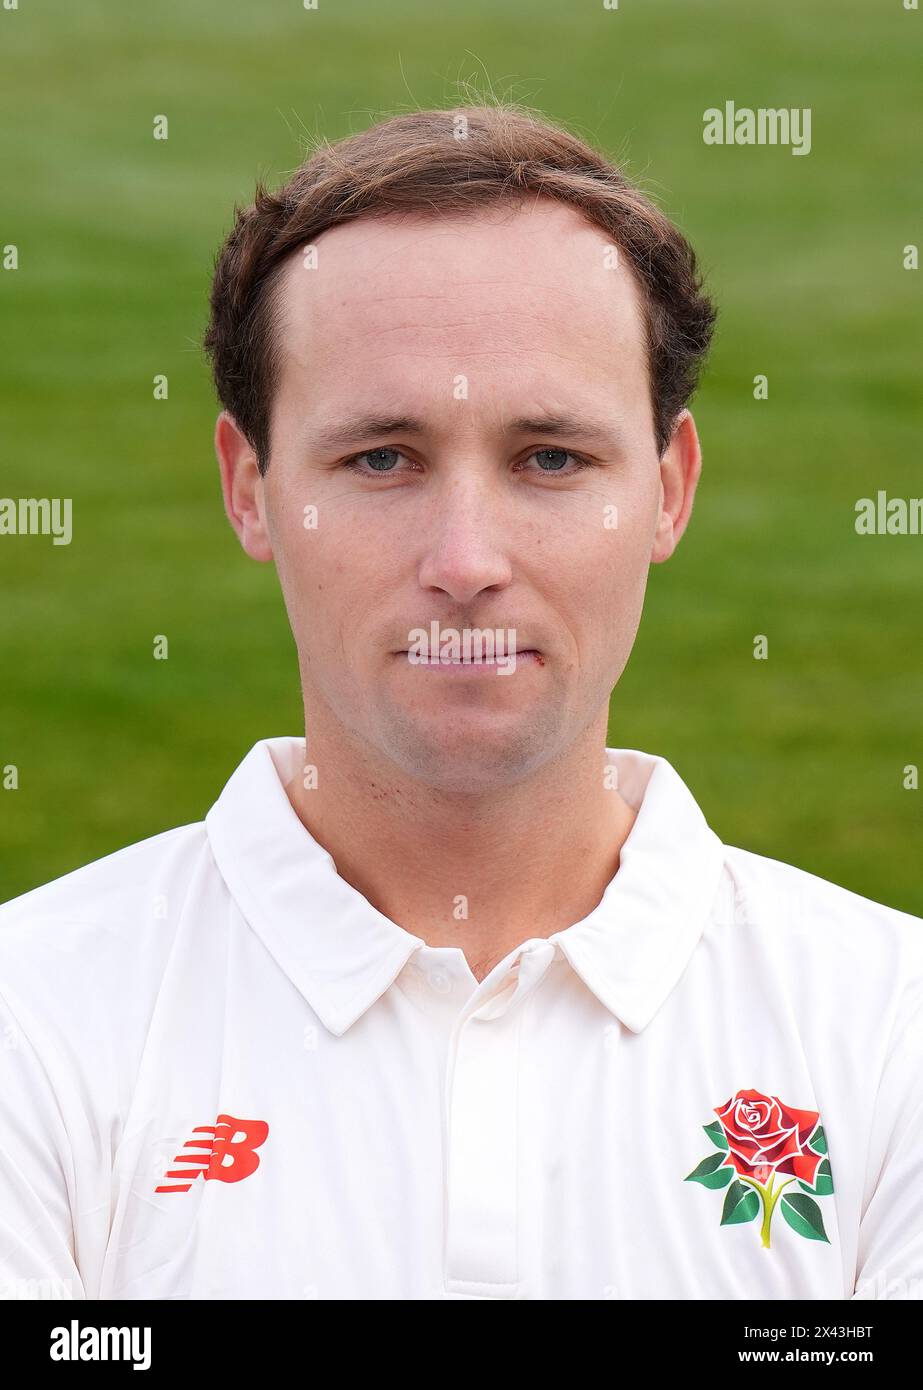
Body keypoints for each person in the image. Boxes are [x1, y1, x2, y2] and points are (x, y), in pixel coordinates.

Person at [1, 102, 920, 1302]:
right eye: (381, 458)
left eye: (550, 458)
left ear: (668, 490)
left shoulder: (892, 1032)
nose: (465, 556)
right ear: (249, 488)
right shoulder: (30, 1020)